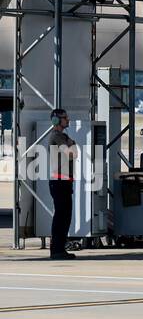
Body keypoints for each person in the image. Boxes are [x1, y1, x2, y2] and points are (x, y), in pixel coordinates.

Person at [47, 109, 77, 260]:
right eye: (65, 118)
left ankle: (59, 248)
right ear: (56, 120)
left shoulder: (63, 136)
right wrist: (72, 145)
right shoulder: (57, 136)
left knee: (65, 216)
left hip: (64, 181)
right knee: (61, 217)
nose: (68, 120)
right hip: (59, 181)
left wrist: (72, 144)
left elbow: (74, 152)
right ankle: (57, 249)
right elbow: (71, 153)